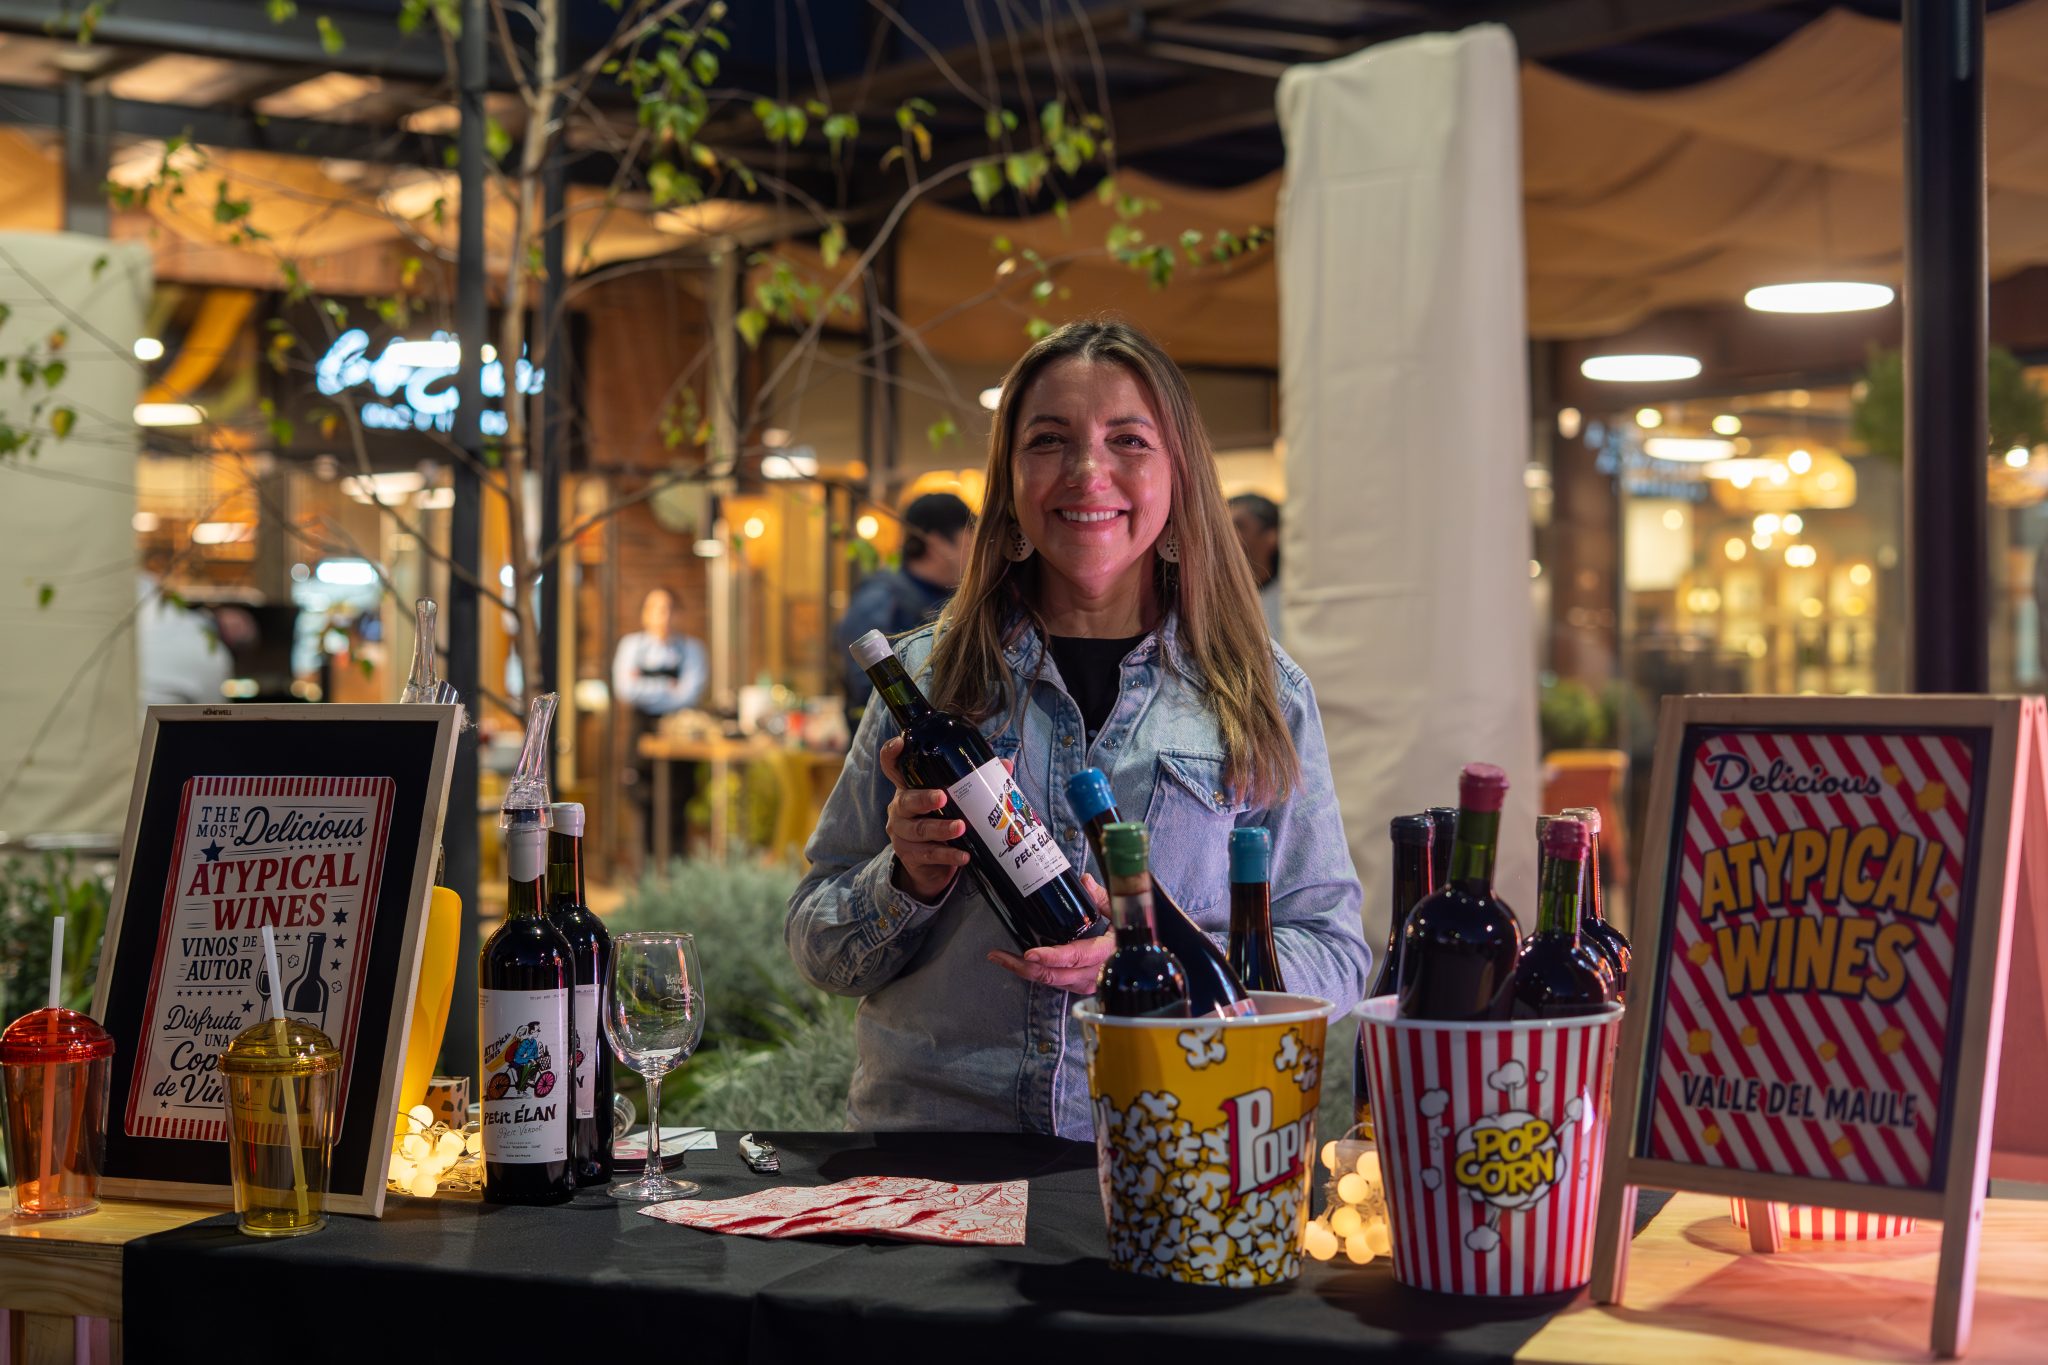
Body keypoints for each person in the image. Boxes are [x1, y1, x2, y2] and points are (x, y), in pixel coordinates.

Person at [788, 319, 1370, 1138]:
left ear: (1178, 480)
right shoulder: (924, 684)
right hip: (937, 1162)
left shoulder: (1260, 695)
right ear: (1012, 483)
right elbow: (817, 943)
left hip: (1169, 1152)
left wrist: (1163, 969)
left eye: (1127, 438)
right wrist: (904, 881)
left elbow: (1334, 954)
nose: (1087, 471)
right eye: (1049, 440)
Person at [833, 492, 974, 726]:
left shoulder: (953, 599)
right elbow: (872, 695)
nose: (976, 551)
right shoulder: (881, 599)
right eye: (969, 539)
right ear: (937, 542)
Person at [613, 588, 708, 857]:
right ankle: (645, 877)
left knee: (678, 803)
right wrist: (669, 687)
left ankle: (675, 875)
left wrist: (648, 687)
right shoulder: (631, 646)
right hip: (642, 732)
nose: (662, 616)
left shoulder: (692, 649)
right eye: (655, 608)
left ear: (679, 614)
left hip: (680, 736)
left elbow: (688, 695)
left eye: (668, 609)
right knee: (642, 800)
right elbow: (626, 690)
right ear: (645, 614)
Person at [1230, 492, 1284, 646]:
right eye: (1224, 527)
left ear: (1271, 536)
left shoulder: (1291, 601)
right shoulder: (1214, 598)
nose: (1227, 537)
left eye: (1239, 526)